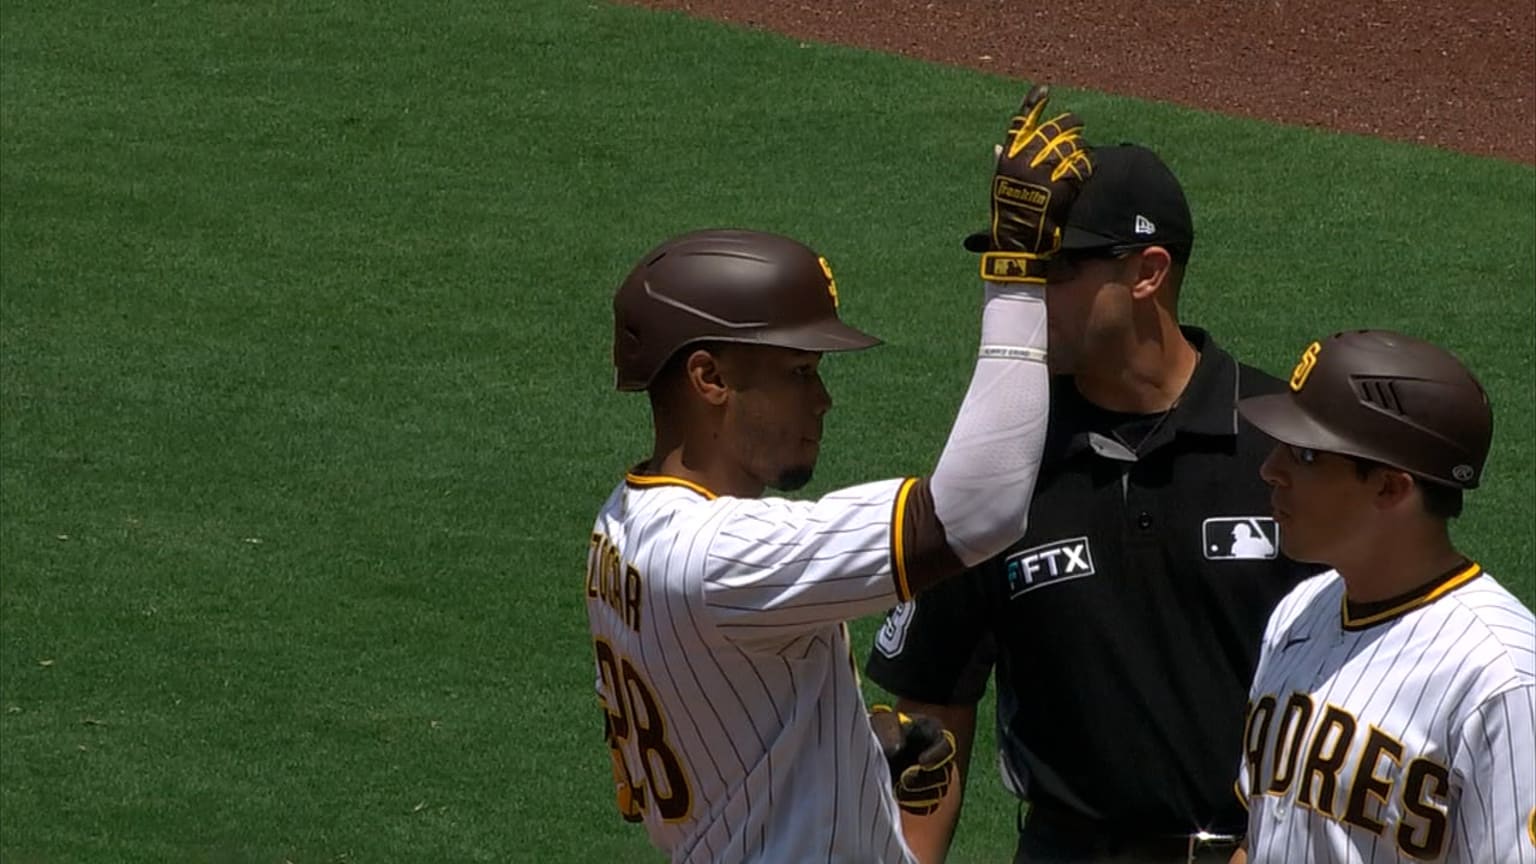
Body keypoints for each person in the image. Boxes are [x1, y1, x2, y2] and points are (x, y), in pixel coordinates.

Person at [583, 87, 1092, 862]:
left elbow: (716, 730)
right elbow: (975, 513)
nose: (822, 399)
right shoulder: (720, 557)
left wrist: (849, 764)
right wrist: (1017, 273)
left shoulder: (618, 527)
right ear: (708, 377)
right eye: (796, 371)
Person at [865, 143, 1318, 863]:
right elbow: (930, 714)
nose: (1025, 298)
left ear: (1147, 273)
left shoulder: (1280, 446)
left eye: (1056, 271)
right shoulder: (1000, 464)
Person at [1230, 330, 1535, 864]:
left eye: (1303, 454)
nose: (1270, 469)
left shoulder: (1503, 677)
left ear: (1391, 488)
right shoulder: (1299, 610)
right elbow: (1261, 839)